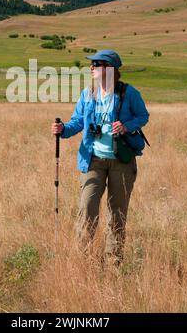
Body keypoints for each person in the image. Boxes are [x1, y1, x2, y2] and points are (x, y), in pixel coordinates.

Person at [51, 50, 150, 266]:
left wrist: (126, 126)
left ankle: (114, 262)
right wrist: (62, 129)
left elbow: (143, 116)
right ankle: (83, 261)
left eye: (97, 63)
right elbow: (77, 122)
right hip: (92, 160)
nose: (92, 67)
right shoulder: (88, 94)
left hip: (121, 161)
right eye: (92, 63)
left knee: (117, 213)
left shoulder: (128, 93)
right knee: (87, 209)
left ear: (111, 69)